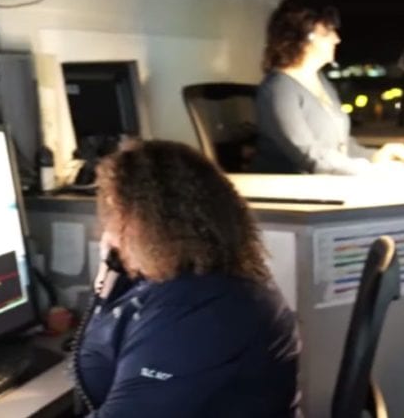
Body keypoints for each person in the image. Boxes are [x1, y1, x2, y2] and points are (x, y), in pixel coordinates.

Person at [74, 140, 301, 417]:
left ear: (152, 225)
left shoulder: (202, 311)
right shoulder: (203, 276)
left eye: (116, 214)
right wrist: (110, 275)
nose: (107, 231)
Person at [253, 0, 404, 175]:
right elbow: (310, 156)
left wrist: (376, 156)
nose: (336, 39)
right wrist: (373, 170)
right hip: (290, 191)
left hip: (324, 186)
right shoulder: (278, 89)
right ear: (304, 38)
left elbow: (340, 148)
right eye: (327, 33)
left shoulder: (322, 81)